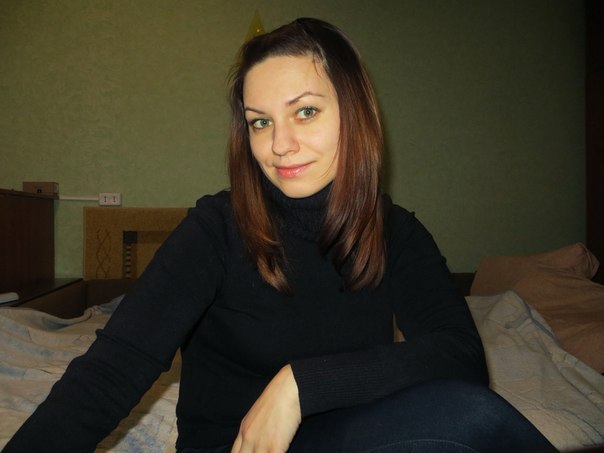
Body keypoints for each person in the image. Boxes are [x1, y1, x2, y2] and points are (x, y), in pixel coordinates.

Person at [4, 18, 556, 453]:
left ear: (356, 115)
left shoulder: (396, 232)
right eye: (260, 121)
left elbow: (460, 357)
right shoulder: (215, 229)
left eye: (306, 112)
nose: (279, 145)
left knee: (465, 415)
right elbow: (112, 368)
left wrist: (302, 385)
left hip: (348, 434)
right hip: (237, 447)